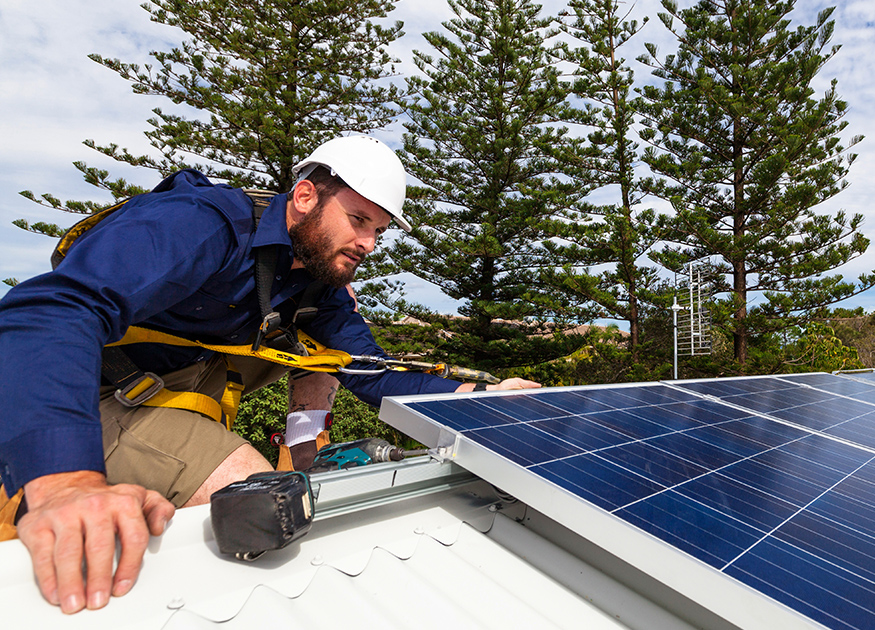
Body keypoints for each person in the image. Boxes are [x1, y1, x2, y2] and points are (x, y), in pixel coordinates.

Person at [0, 136, 539, 614]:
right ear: (305, 197)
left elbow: (368, 370)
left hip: (184, 385)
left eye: (378, 230)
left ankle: (304, 457)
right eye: (358, 220)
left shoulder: (319, 285)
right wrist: (65, 481)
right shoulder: (202, 223)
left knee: (324, 355)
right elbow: (52, 311)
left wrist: (472, 394)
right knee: (261, 500)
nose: (369, 244)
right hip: (94, 394)